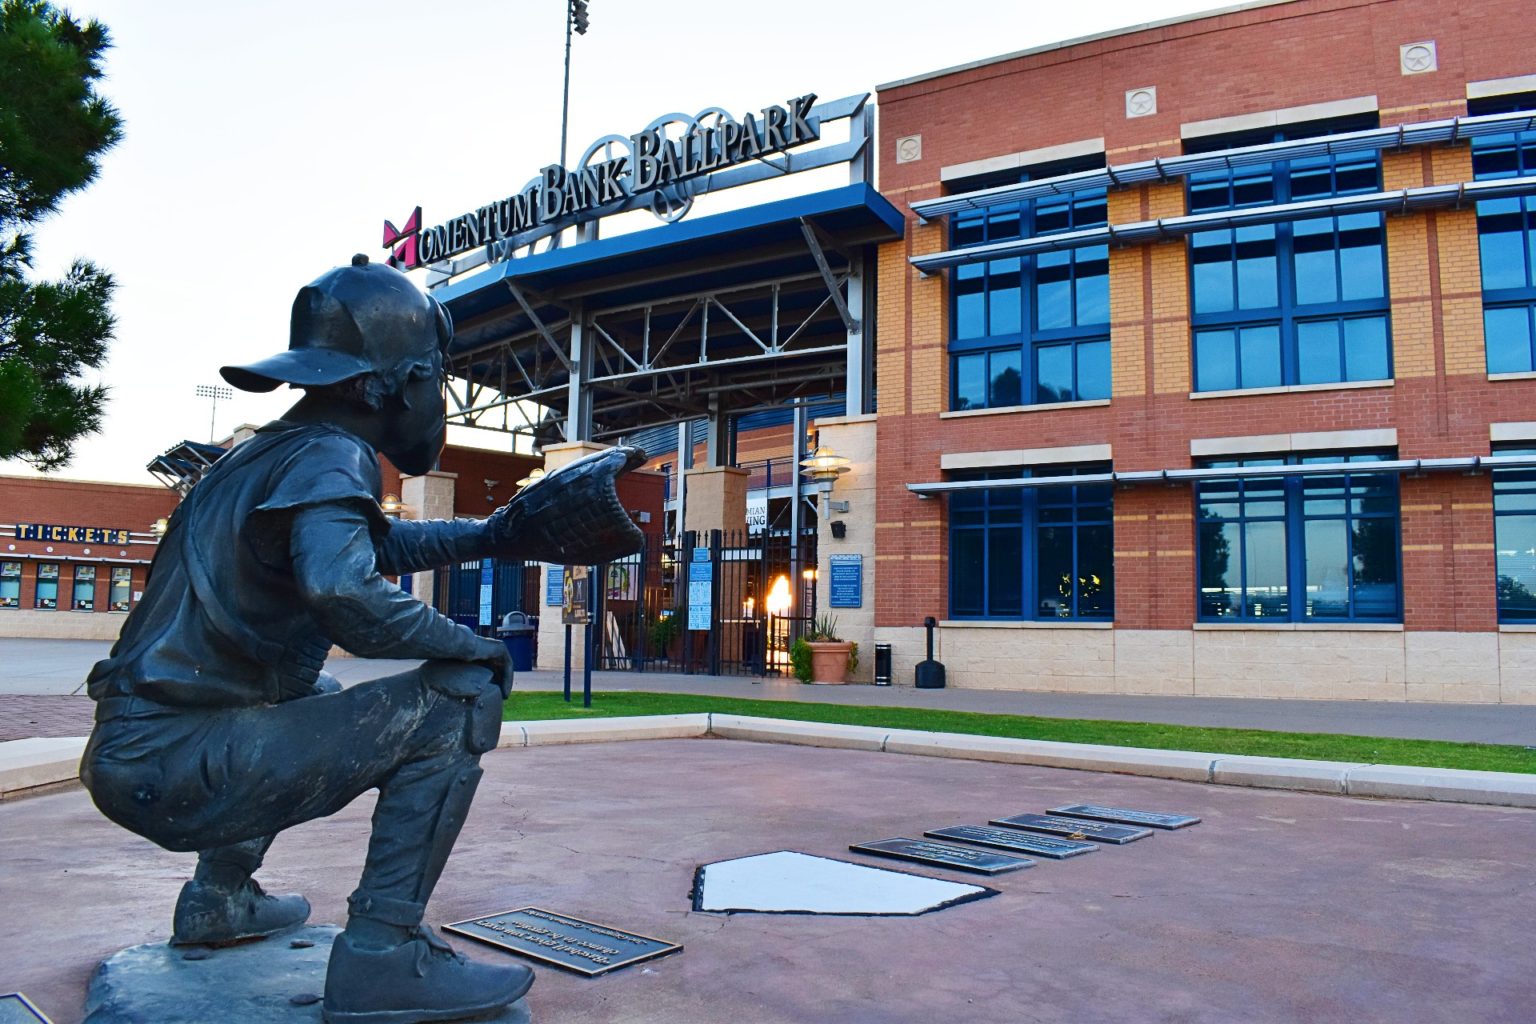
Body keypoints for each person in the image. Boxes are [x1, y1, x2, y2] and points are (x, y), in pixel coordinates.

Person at [79, 255, 643, 1024]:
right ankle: (383, 956)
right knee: (456, 700)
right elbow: (344, 589)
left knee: (314, 692)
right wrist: (470, 647)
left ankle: (218, 900)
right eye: (430, 374)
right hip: (185, 764)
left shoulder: (266, 454)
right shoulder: (329, 455)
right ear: (395, 381)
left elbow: (371, 549)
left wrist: (496, 533)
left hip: (139, 753)